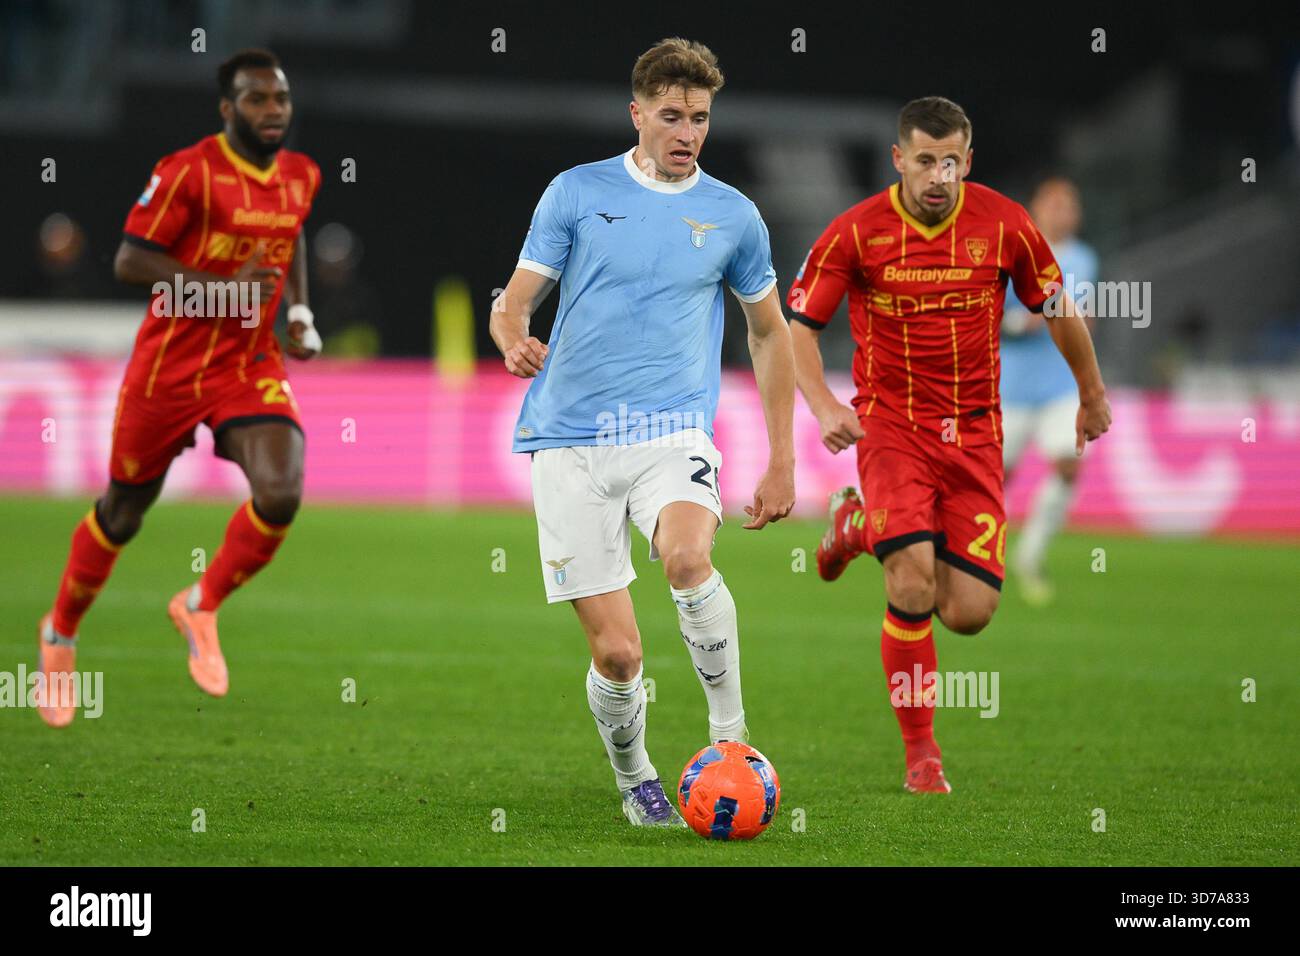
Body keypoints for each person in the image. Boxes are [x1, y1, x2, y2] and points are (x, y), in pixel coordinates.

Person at [489, 38, 796, 827]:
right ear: (638, 114)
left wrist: (782, 456)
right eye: (670, 115)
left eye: (699, 117)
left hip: (671, 432)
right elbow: (514, 299)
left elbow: (769, 333)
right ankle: (636, 778)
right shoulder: (576, 192)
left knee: (690, 558)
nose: (686, 131)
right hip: (570, 442)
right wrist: (511, 333)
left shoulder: (734, 215)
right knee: (619, 656)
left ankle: (732, 741)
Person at [788, 97, 1110, 793]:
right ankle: (922, 756)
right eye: (926, 160)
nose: (939, 175)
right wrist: (821, 404)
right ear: (898, 159)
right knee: (911, 581)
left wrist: (1090, 393)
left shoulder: (1004, 224)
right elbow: (799, 325)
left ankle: (854, 528)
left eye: (952, 161)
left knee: (966, 614)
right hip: (892, 428)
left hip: (973, 435)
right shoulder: (857, 231)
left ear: (968, 160)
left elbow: (1056, 307)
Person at [36, 49, 323, 727]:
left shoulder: (300, 175)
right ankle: (60, 634)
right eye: (257, 100)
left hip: (247, 363)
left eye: (280, 98)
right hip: (169, 368)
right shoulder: (187, 171)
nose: (273, 110)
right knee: (121, 514)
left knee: (281, 492)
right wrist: (222, 290)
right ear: (228, 110)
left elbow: (294, 235)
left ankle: (201, 602)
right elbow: (130, 260)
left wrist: (300, 314)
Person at [1000, 176, 1098, 604]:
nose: (1062, 212)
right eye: (1054, 204)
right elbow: (1004, 314)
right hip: (1010, 387)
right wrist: (1028, 319)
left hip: (1060, 386)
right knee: (994, 478)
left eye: (1068, 205)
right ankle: (979, 552)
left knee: (1069, 465)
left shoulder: (1082, 258)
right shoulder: (1014, 248)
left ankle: (1030, 553)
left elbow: (1075, 314)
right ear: (1036, 208)